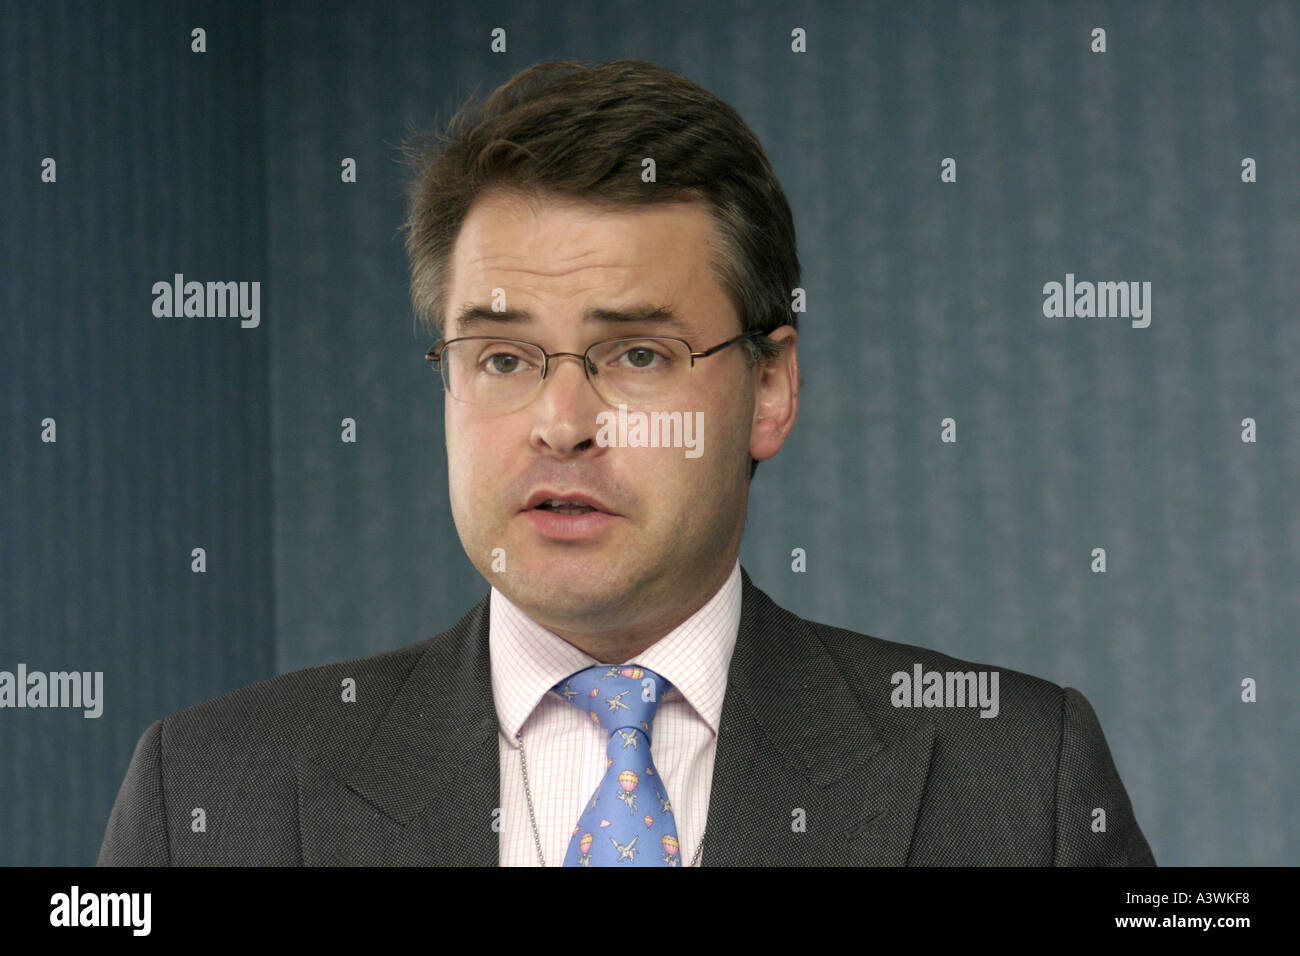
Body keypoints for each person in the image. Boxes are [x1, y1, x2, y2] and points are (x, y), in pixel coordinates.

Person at [99, 58, 1155, 866]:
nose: (561, 420)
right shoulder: (208, 793)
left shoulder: (1015, 777)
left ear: (769, 387)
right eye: (503, 356)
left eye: (637, 353)